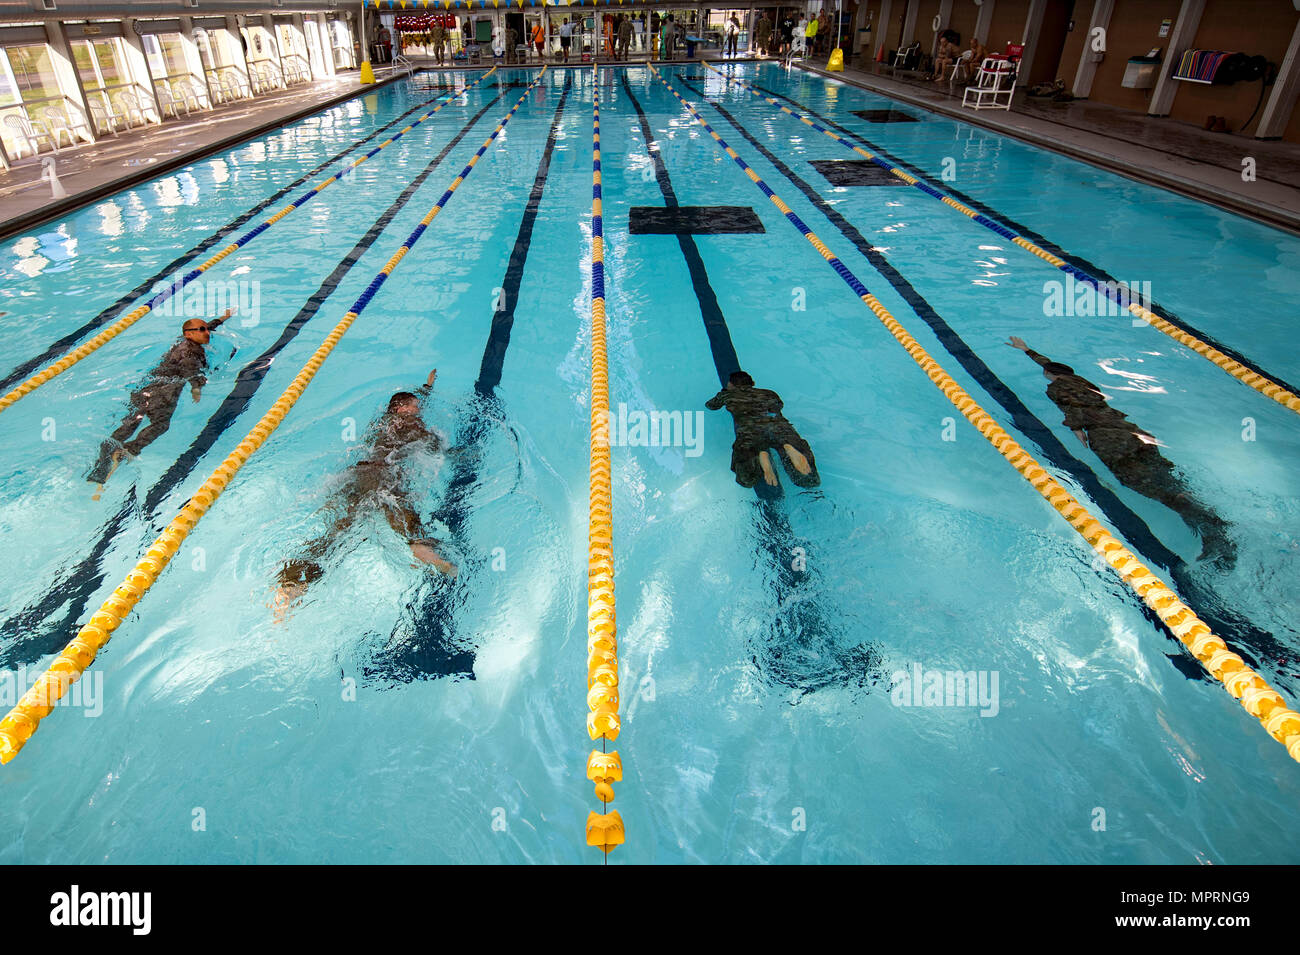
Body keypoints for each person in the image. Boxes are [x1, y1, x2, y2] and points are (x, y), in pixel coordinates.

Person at [1006, 337, 1235, 567]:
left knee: (1147, 486)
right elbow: (1052, 366)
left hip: (1109, 440)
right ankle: (1212, 519)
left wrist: (1076, 429)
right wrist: (1027, 350)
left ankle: (1211, 532)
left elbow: (1071, 405)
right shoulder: (1079, 380)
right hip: (1132, 432)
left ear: (1051, 375)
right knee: (1165, 476)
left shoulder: (1055, 387)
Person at [273, 369, 457, 616]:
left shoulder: (383, 422)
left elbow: (404, 413)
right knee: (404, 516)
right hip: (384, 475)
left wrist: (427, 387)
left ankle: (294, 580)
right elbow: (431, 444)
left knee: (338, 531)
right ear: (403, 409)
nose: (419, 411)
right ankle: (419, 545)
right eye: (416, 407)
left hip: (360, 474)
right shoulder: (409, 421)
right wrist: (448, 451)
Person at [87, 309, 235, 498]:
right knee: (161, 424)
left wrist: (222, 318)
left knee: (130, 423)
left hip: (145, 387)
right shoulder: (192, 351)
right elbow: (192, 372)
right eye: (201, 330)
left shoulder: (182, 341)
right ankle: (128, 451)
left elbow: (204, 328)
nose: (206, 332)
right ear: (188, 334)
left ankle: (102, 465)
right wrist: (196, 388)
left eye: (206, 329)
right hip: (164, 392)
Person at [706, 371, 818, 489]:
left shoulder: (728, 395)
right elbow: (778, 406)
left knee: (747, 479)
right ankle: (786, 446)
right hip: (779, 427)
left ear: (731, 384)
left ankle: (761, 453)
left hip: (751, 431)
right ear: (752, 383)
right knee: (810, 480)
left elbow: (711, 405)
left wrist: (725, 393)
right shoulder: (769, 393)